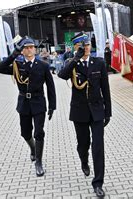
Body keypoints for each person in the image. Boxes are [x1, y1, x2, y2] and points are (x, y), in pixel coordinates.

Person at [58, 33, 111, 197]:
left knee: (98, 146)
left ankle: (98, 183)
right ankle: (83, 160)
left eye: (88, 45)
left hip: (96, 111)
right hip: (79, 111)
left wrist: (107, 112)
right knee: (83, 144)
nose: (86, 48)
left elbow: (105, 89)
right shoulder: (71, 64)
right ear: (75, 47)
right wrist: (75, 59)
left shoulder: (99, 62)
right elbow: (61, 75)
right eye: (82, 46)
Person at [0, 37, 56, 176]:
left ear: (35, 49)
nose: (29, 50)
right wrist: (13, 55)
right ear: (22, 50)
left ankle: (39, 162)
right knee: (25, 133)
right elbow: (0, 68)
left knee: (39, 132)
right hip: (24, 103)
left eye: (31, 47)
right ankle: (33, 149)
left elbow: (51, 87)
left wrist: (53, 105)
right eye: (26, 48)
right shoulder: (17, 65)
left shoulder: (43, 65)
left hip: (38, 102)